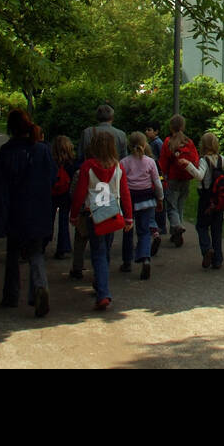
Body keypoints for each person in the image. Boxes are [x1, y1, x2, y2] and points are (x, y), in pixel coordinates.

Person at [0, 109, 58, 318]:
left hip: (15, 209)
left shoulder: (6, 151)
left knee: (13, 253)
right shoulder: (42, 150)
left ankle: (11, 296)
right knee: (36, 252)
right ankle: (39, 286)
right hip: (39, 207)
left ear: (10, 128)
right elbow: (53, 177)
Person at [71, 130, 133, 311]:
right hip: (112, 212)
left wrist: (74, 215)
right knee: (104, 250)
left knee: (98, 252)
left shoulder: (87, 167)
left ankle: (103, 292)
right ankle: (101, 284)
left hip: (94, 214)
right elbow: (125, 192)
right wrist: (128, 216)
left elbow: (80, 193)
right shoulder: (118, 167)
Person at [119, 132, 163, 280]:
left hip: (129, 199)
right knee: (144, 232)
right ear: (145, 145)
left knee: (128, 231)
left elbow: (120, 183)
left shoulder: (123, 162)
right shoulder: (150, 162)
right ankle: (145, 258)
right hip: (147, 199)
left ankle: (127, 262)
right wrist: (160, 198)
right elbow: (157, 183)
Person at [194, 132, 224, 270]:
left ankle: (207, 249)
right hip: (219, 199)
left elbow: (199, 176)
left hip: (206, 197)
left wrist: (188, 166)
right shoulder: (221, 159)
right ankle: (218, 259)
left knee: (201, 226)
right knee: (217, 229)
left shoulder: (203, 160)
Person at [158, 115, 198, 248]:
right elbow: (195, 160)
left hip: (173, 178)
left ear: (171, 127)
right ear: (183, 126)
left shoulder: (168, 142)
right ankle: (176, 231)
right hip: (186, 178)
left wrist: (161, 178)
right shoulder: (189, 142)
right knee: (180, 205)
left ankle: (176, 226)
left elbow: (163, 163)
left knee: (171, 206)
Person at [50, 135, 77, 260]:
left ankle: (43, 240)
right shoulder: (72, 162)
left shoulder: (51, 161)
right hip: (66, 195)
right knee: (63, 220)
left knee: (48, 218)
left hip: (52, 193)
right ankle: (63, 247)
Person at [145, 124, 167, 247]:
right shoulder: (153, 142)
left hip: (158, 175)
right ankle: (158, 226)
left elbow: (160, 160)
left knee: (159, 202)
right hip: (157, 175)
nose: (147, 131)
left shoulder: (157, 143)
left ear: (156, 131)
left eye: (149, 129)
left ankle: (161, 226)